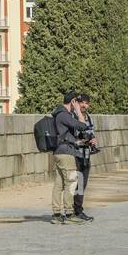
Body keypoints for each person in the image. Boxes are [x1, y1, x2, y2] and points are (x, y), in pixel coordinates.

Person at [50, 91, 88, 224]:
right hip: (66, 153)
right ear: (72, 101)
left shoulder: (58, 114)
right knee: (71, 182)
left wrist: (78, 142)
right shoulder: (64, 115)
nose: (78, 105)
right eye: (76, 102)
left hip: (59, 151)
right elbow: (83, 126)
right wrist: (78, 111)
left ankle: (56, 215)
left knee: (59, 183)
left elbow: (65, 135)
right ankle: (70, 214)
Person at [72, 94, 98, 222]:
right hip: (75, 154)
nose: (83, 105)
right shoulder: (73, 116)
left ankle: (77, 209)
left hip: (86, 155)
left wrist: (93, 140)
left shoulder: (89, 117)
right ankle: (73, 210)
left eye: (86, 103)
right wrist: (83, 141)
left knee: (83, 183)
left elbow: (91, 132)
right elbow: (72, 138)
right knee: (74, 183)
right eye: (81, 103)